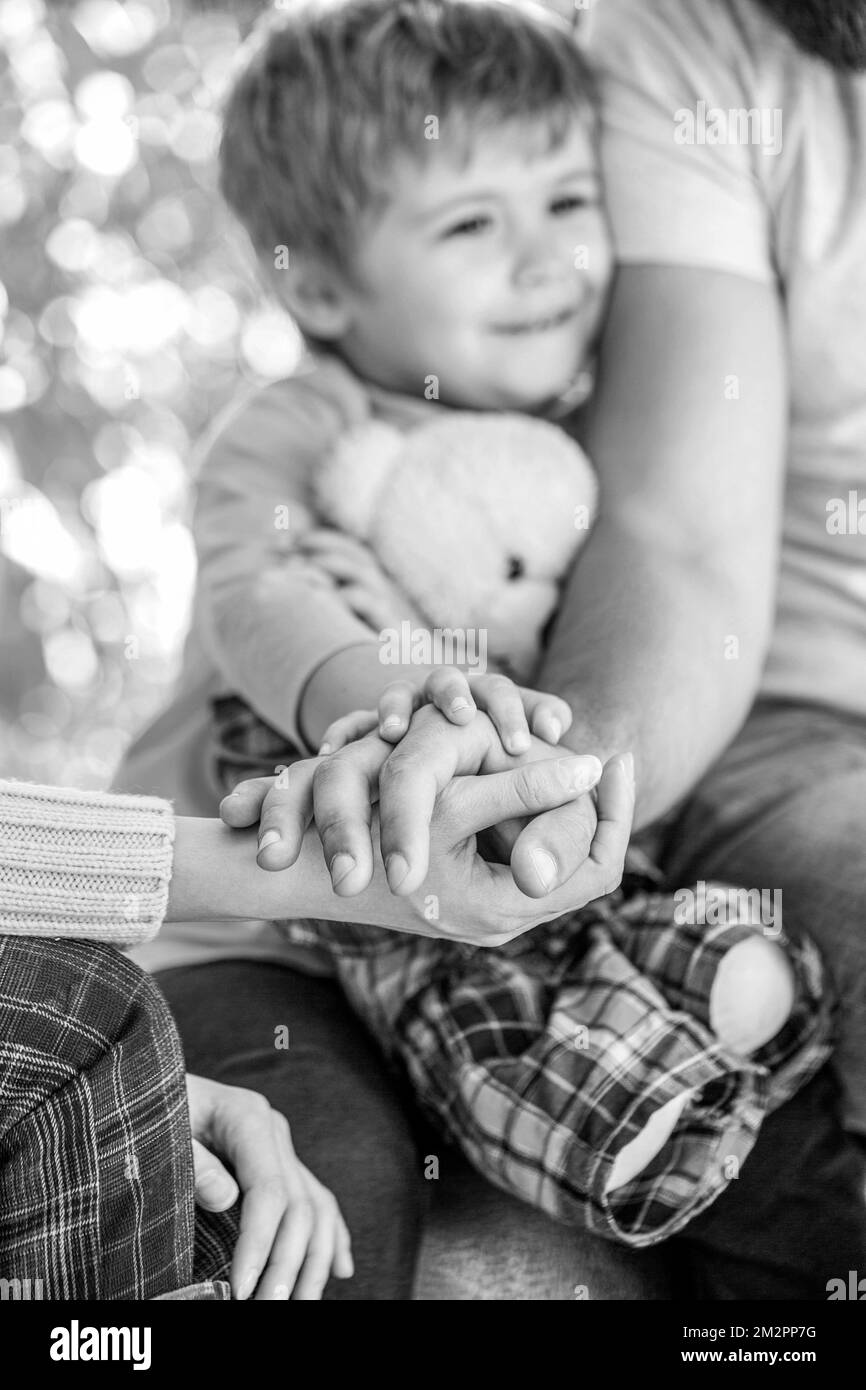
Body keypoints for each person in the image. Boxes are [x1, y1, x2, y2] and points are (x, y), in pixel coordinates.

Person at [188, 0, 829, 1241]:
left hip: (488, 907)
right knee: (329, 1184)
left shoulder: (602, 435)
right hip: (266, 928)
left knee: (780, 1156)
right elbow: (257, 592)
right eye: (474, 222)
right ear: (318, 282)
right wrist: (399, 708)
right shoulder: (301, 423)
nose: (547, 260)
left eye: (569, 200)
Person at [0, 748, 610, 1299]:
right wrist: (343, 863)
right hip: (244, 959)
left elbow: (608, 742)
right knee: (320, 1185)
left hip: (498, 964)